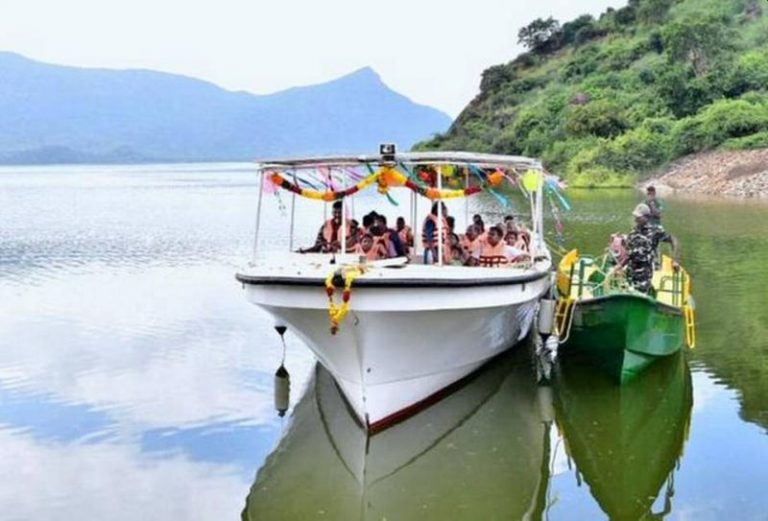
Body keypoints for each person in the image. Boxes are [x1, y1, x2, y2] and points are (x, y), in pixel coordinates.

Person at [619, 203, 679, 294]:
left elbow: (674, 240)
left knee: (640, 297)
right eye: (635, 216)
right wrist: (619, 267)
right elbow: (629, 254)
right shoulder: (633, 233)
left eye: (639, 217)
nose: (636, 219)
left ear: (646, 217)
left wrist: (674, 260)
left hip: (644, 274)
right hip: (630, 273)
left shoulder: (655, 231)